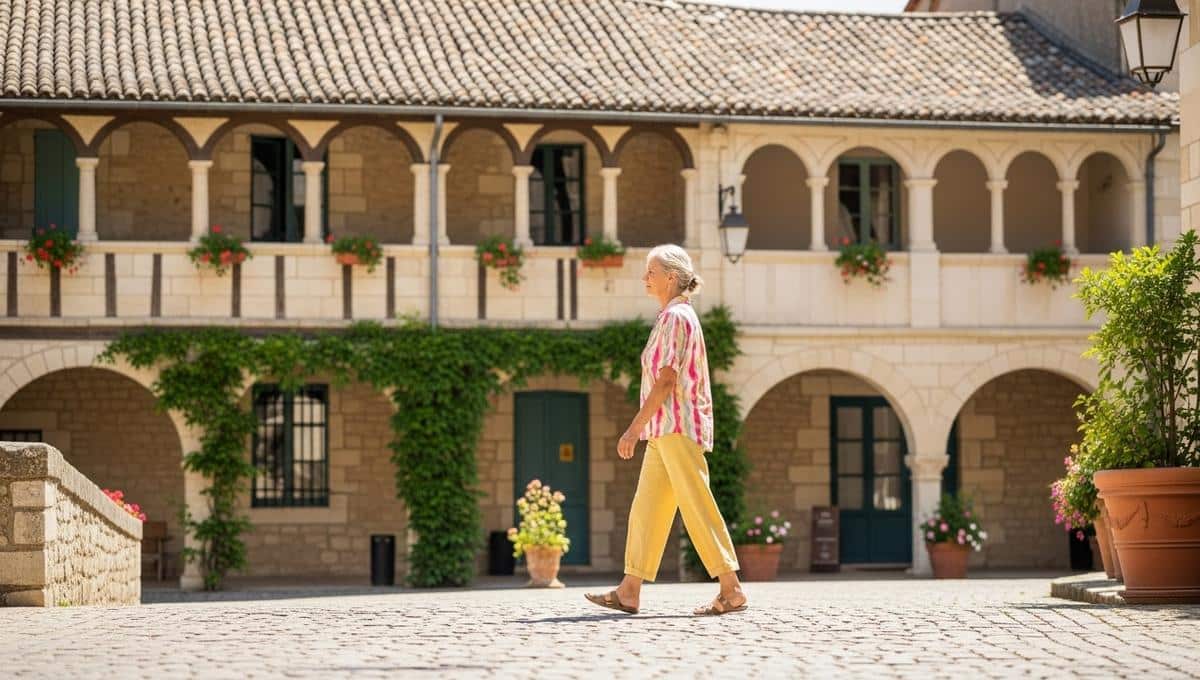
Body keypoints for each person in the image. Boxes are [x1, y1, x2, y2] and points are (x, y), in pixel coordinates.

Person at [585, 244, 747, 616]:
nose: (645, 278)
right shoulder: (674, 316)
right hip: (665, 430)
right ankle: (629, 591)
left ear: (671, 278)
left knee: (697, 504)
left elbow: (666, 381)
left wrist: (632, 430)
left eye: (651, 272)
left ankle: (732, 589)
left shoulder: (675, 317)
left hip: (676, 427)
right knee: (647, 509)